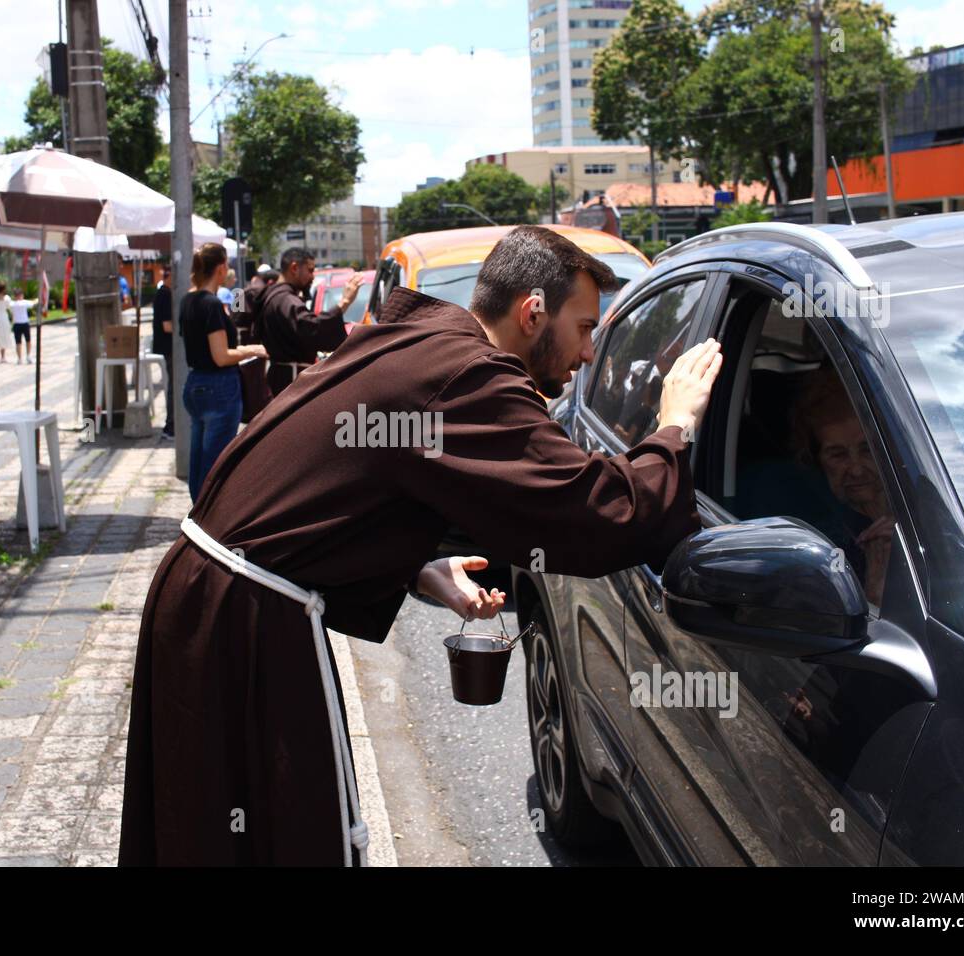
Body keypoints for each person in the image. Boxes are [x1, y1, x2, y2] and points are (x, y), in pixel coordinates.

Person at [119, 225, 722, 866]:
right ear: (532, 312)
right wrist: (675, 425)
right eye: (583, 327)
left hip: (206, 595)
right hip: (242, 621)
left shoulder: (422, 342)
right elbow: (596, 512)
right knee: (284, 835)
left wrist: (415, 568)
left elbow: (340, 481)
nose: (588, 352)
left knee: (218, 832)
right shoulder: (467, 376)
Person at [790, 366, 894, 605]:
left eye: (867, 449)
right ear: (816, 460)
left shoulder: (928, 512)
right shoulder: (819, 545)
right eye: (838, 455)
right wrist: (875, 588)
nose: (856, 469)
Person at [179, 243, 267, 501]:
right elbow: (221, 356)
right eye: (226, 264)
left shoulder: (187, 300)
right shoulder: (212, 305)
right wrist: (254, 350)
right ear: (220, 268)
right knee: (216, 465)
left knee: (198, 463)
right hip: (218, 387)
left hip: (194, 384)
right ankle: (208, 520)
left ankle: (196, 516)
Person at [255, 247, 362, 396]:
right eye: (310, 270)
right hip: (290, 382)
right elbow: (311, 329)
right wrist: (344, 303)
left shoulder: (277, 296)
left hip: (282, 378)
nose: (313, 277)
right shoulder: (285, 300)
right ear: (294, 268)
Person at [150, 266, 175, 441]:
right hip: (169, 348)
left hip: (168, 348)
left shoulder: (165, 293)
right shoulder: (165, 294)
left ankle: (172, 424)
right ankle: (171, 425)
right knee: (173, 387)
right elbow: (167, 326)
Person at [8, 287, 34, 364]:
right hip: (24, 324)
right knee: (27, 341)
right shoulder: (24, 302)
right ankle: (27, 356)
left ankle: (20, 358)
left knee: (19, 342)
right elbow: (33, 303)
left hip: (17, 324)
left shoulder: (12, 304)